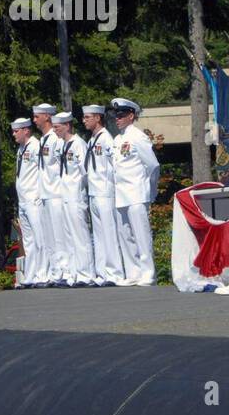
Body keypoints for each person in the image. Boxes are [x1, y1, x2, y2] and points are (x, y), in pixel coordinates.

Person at [109, 97, 159, 286]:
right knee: (125, 235)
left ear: (131, 116)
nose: (117, 119)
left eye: (121, 115)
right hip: (121, 193)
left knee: (141, 234)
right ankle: (133, 271)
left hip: (137, 192)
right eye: (116, 115)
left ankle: (148, 272)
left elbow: (153, 166)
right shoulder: (118, 139)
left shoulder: (138, 137)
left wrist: (150, 190)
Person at [81, 104, 126, 287]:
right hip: (94, 191)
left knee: (109, 233)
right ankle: (102, 272)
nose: (84, 121)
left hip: (105, 192)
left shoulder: (106, 138)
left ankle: (114, 272)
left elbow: (112, 165)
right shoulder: (92, 140)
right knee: (98, 235)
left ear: (98, 118)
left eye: (88, 117)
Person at [54, 112, 96, 286]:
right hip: (65, 195)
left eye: (58, 127)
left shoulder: (78, 144)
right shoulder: (64, 145)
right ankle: (74, 272)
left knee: (80, 235)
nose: (55, 130)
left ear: (67, 126)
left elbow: (85, 172)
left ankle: (86, 273)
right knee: (69, 236)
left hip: (75, 195)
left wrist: (79, 190)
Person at [33, 102, 68, 284]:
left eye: (37, 116)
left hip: (56, 194)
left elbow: (62, 168)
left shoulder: (56, 139)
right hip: (45, 194)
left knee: (59, 236)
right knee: (49, 238)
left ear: (47, 116)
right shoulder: (43, 140)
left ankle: (64, 272)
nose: (34, 120)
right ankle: (55, 272)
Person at [10, 118, 46, 287]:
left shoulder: (36, 146)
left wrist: (40, 195)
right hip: (23, 201)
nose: (13, 134)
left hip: (34, 199)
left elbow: (42, 171)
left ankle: (43, 273)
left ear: (26, 130)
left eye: (16, 131)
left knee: (40, 238)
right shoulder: (21, 149)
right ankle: (31, 274)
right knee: (29, 241)